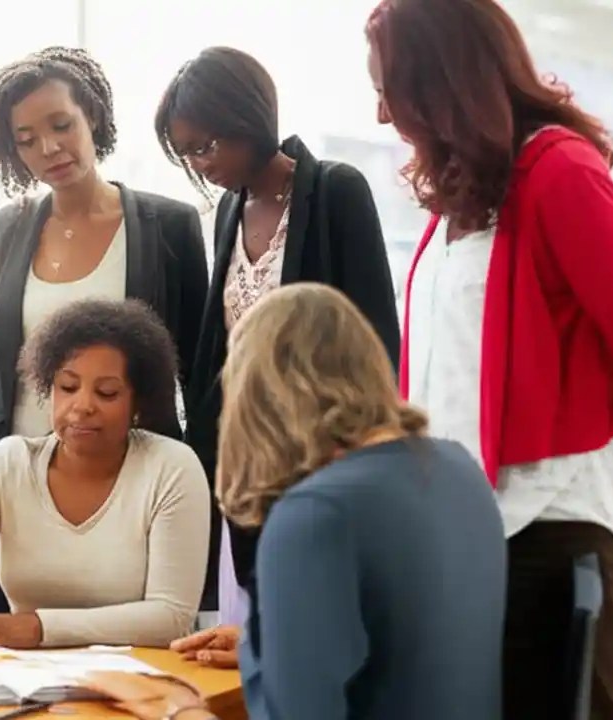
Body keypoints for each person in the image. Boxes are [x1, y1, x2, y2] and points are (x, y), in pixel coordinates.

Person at [367, 1, 613, 717]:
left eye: (389, 90)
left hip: (568, 520)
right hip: (475, 530)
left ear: (443, 81)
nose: (380, 115)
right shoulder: (458, 197)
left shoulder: (561, 172)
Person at [88, 283, 507, 720]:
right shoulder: (459, 471)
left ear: (256, 396)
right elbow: (399, 646)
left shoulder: (316, 515)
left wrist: (171, 708)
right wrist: (269, 647)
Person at [0, 46, 209, 614]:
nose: (48, 148)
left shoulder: (169, 227)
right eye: (26, 138)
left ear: (93, 118)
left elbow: (200, 377)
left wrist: (204, 492)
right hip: (18, 503)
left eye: (61, 125)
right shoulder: (6, 231)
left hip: (126, 499)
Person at [154, 46, 400, 624]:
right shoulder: (227, 213)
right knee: (251, 630)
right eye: (188, 153)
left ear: (248, 117)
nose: (201, 164)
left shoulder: (337, 191)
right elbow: (218, 346)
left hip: (324, 455)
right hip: (247, 458)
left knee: (317, 617)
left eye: (207, 145)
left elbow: (375, 334)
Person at [0, 298, 209, 651]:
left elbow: (171, 618)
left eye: (107, 393)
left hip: (145, 682)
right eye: (68, 387)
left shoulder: (172, 468)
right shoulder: (10, 463)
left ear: (139, 403)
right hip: (30, 682)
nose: (82, 405)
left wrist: (40, 627)